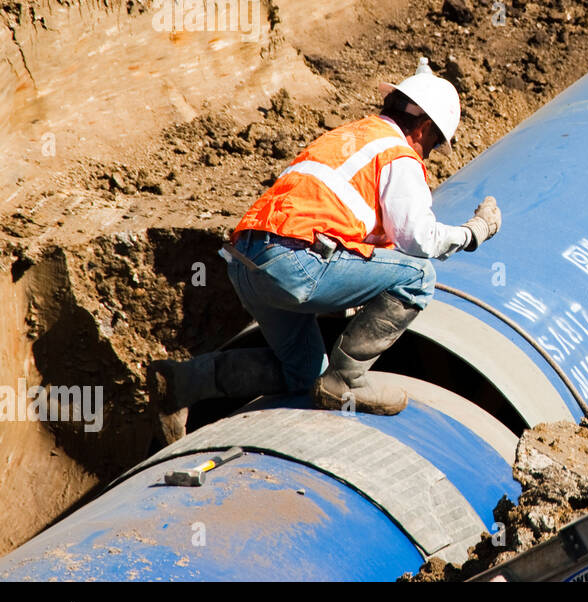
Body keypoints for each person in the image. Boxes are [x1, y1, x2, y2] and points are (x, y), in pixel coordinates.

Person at [149, 58, 500, 443]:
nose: (429, 154)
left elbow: (347, 227)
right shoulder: (398, 154)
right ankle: (347, 378)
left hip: (246, 263)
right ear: (426, 127)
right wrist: (473, 232)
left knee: (304, 374)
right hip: (292, 262)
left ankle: (181, 382)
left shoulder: (349, 138)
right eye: (434, 144)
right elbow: (417, 239)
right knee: (418, 277)